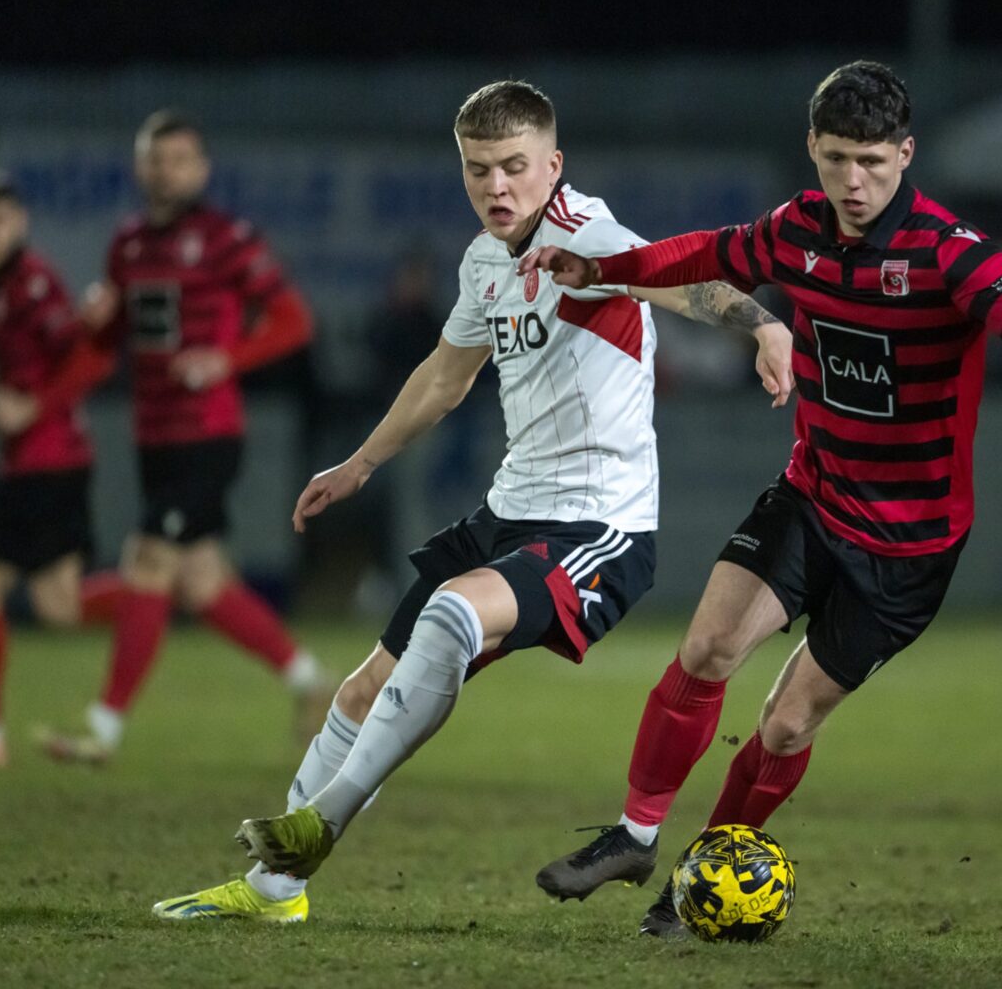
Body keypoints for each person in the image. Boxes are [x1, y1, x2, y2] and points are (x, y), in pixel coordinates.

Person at [150, 80, 792, 923]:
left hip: (597, 526)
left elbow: (682, 280)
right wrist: (360, 463)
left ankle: (321, 821)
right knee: (361, 689)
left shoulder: (587, 235)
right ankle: (275, 893)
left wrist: (762, 325)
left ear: (552, 165)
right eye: (478, 169)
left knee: (452, 615)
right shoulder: (485, 260)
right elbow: (445, 377)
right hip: (509, 513)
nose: (496, 186)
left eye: (515, 167)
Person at [520, 60, 1002, 937]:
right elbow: (700, 254)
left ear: (906, 154)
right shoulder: (794, 230)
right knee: (708, 646)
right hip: (814, 496)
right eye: (838, 158)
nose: (854, 182)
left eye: (875, 163)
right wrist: (600, 265)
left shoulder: (949, 254)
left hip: (909, 549)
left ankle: (701, 877)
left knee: (784, 722)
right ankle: (634, 834)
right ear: (812, 148)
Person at [40, 111, 330, 763]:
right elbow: (104, 348)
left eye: (178, 159)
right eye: (154, 158)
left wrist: (226, 359)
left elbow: (292, 320)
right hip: (154, 437)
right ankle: (311, 681)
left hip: (208, 434)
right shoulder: (128, 245)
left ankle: (103, 729)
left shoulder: (226, 238)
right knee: (200, 583)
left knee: (148, 560)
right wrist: (53, 392)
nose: (165, 170)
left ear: (199, 169)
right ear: (140, 167)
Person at [0, 165, 124, 768]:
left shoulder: (31, 284)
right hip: (50, 465)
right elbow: (17, 368)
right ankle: (152, 594)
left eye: (0, 219)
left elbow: (90, 359)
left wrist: (33, 406)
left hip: (43, 464)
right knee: (57, 606)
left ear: (20, 222)